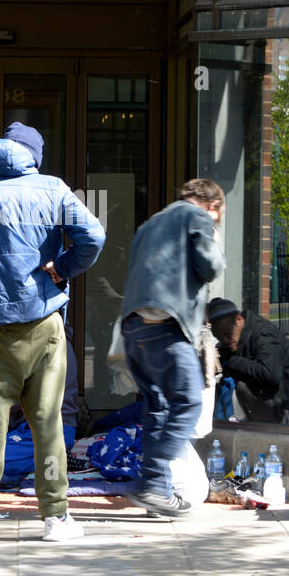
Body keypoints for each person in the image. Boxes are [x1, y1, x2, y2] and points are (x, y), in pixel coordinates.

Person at [0, 122, 104, 544]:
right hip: (44, 322)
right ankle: (57, 520)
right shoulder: (52, 188)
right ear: (33, 156)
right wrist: (61, 268)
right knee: (47, 422)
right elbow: (94, 235)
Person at [118, 178, 226, 517]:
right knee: (189, 401)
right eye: (217, 217)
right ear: (214, 206)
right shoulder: (196, 217)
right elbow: (209, 267)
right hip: (166, 325)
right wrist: (215, 240)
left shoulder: (150, 224)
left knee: (157, 407)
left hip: (133, 326)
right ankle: (152, 482)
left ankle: (159, 495)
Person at [206, 297, 289, 425]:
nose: (224, 340)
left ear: (239, 319)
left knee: (243, 386)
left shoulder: (264, 334)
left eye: (227, 334)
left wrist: (232, 361)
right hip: (282, 396)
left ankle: (267, 431)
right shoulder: (236, 338)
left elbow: (270, 373)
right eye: (218, 336)